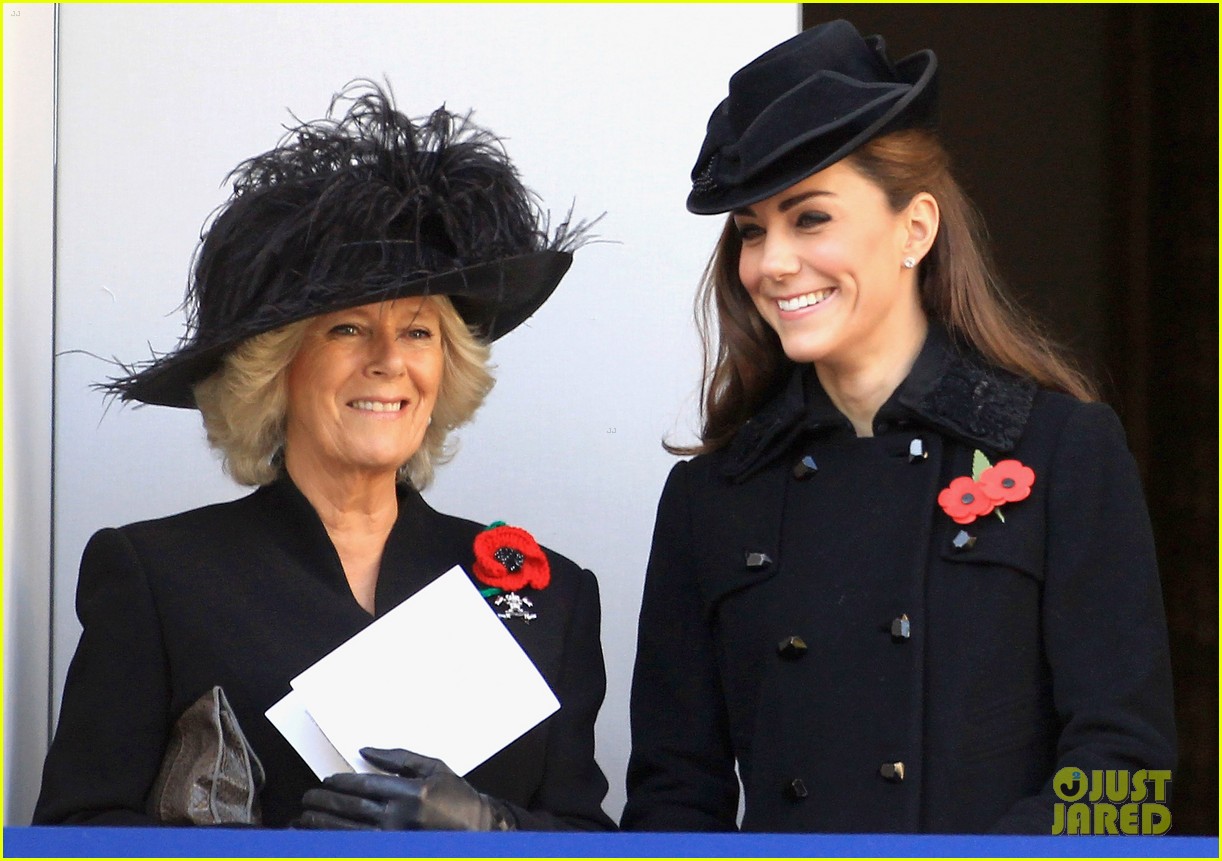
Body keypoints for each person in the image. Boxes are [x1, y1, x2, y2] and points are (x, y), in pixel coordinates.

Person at [621, 20, 1175, 834]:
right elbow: (671, 802)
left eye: (810, 218)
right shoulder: (709, 496)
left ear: (915, 228)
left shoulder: (1065, 452)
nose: (772, 262)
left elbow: (1127, 778)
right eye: (751, 230)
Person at [33, 81, 615, 832]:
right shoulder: (157, 576)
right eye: (347, 329)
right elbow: (77, 831)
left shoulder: (553, 597)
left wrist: (487, 826)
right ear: (276, 367)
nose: (388, 361)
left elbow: (589, 837)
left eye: (418, 332)